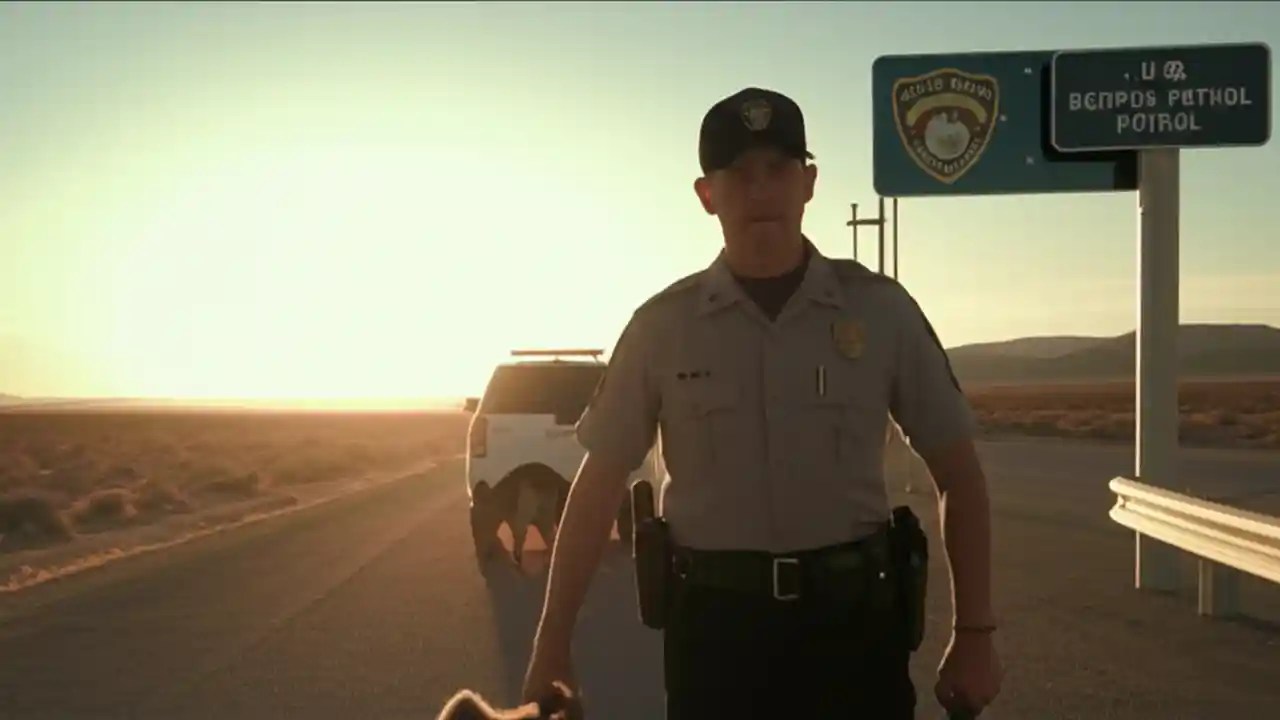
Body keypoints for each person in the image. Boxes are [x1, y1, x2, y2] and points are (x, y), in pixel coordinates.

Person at [521, 86, 1003, 718]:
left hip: (854, 636)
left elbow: (959, 475)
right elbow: (596, 487)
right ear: (706, 195)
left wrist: (975, 636)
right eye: (738, 174)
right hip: (717, 644)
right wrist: (551, 644)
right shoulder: (661, 328)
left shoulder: (881, 312)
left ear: (808, 183)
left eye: (777, 170)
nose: (760, 190)